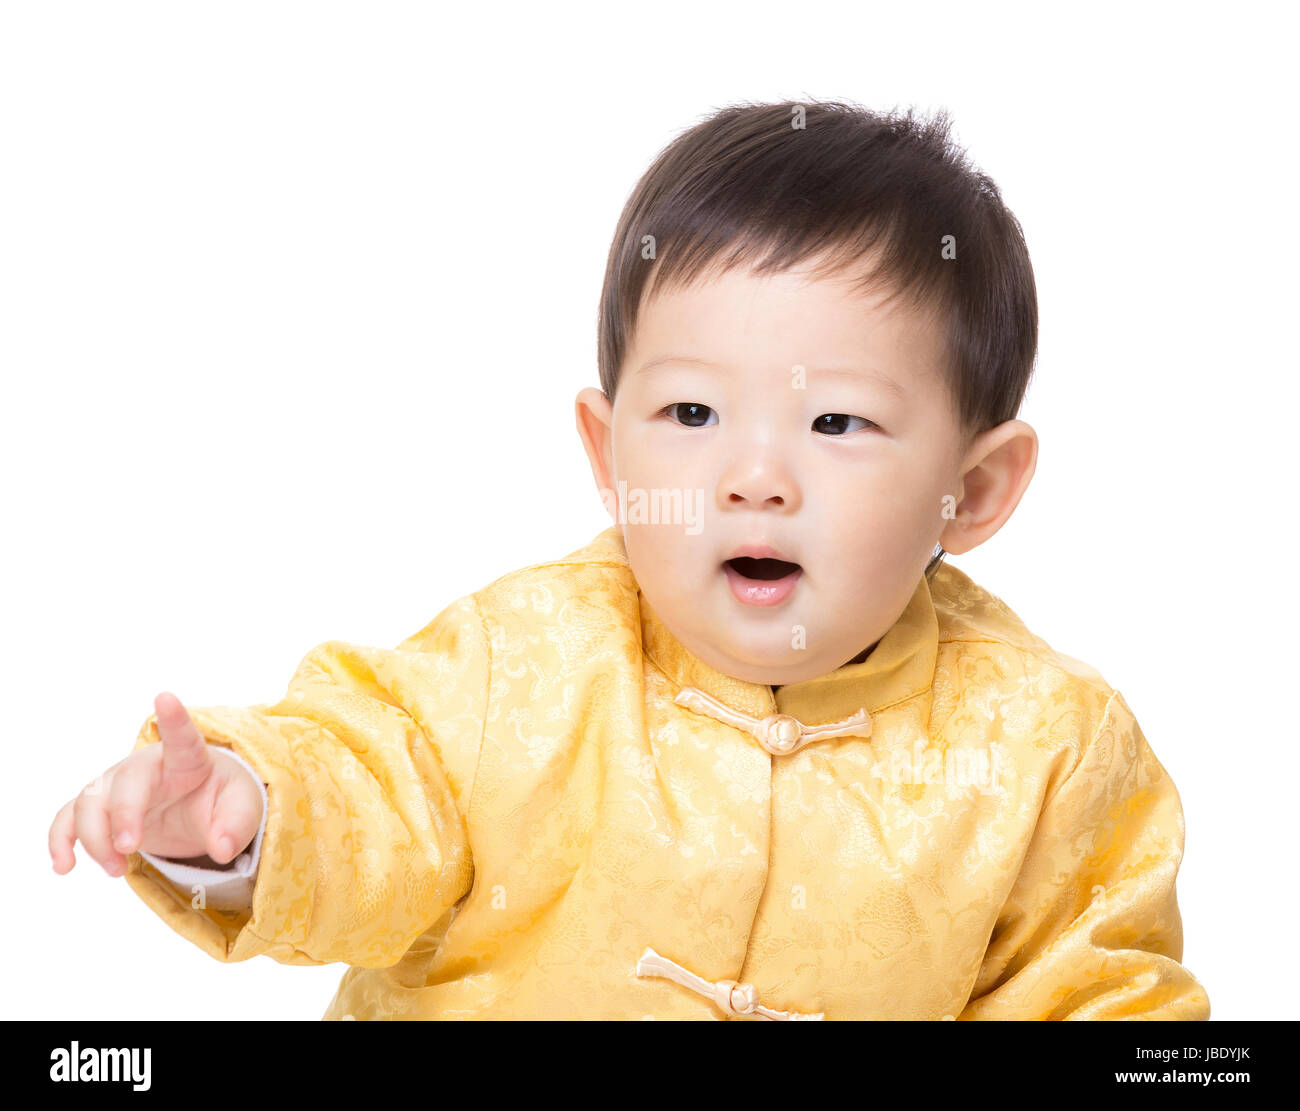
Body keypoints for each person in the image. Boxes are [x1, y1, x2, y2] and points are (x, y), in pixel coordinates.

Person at [48, 99, 1210, 1020]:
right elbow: (372, 778)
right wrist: (250, 814)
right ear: (607, 453)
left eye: (836, 424)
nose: (756, 478)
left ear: (980, 486)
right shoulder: (522, 667)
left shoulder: (1046, 748)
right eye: (693, 416)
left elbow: (1101, 993)